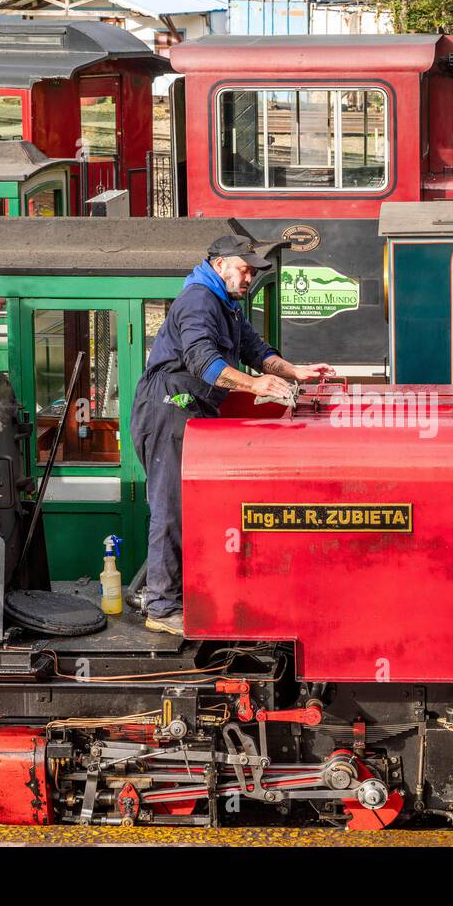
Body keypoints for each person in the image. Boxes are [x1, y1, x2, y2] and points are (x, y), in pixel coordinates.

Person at [131, 235, 334, 634]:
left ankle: (187, 594)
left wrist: (296, 371)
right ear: (219, 264)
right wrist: (256, 386)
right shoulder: (198, 300)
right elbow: (204, 362)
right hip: (169, 408)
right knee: (171, 509)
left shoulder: (227, 305)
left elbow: (255, 349)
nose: (249, 278)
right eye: (244, 270)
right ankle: (160, 607)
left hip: (192, 409)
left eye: (253, 272)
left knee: (192, 509)